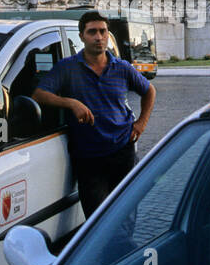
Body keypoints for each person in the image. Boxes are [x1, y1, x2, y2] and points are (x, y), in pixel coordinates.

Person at [34, 11, 156, 219]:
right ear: (82, 36)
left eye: (103, 31)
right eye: (92, 32)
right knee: (96, 219)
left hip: (122, 151)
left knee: (125, 214)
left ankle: (123, 251)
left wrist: (142, 122)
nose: (99, 37)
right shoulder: (67, 68)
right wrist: (70, 103)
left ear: (108, 34)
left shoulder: (122, 67)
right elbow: (39, 94)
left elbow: (149, 91)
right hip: (89, 157)